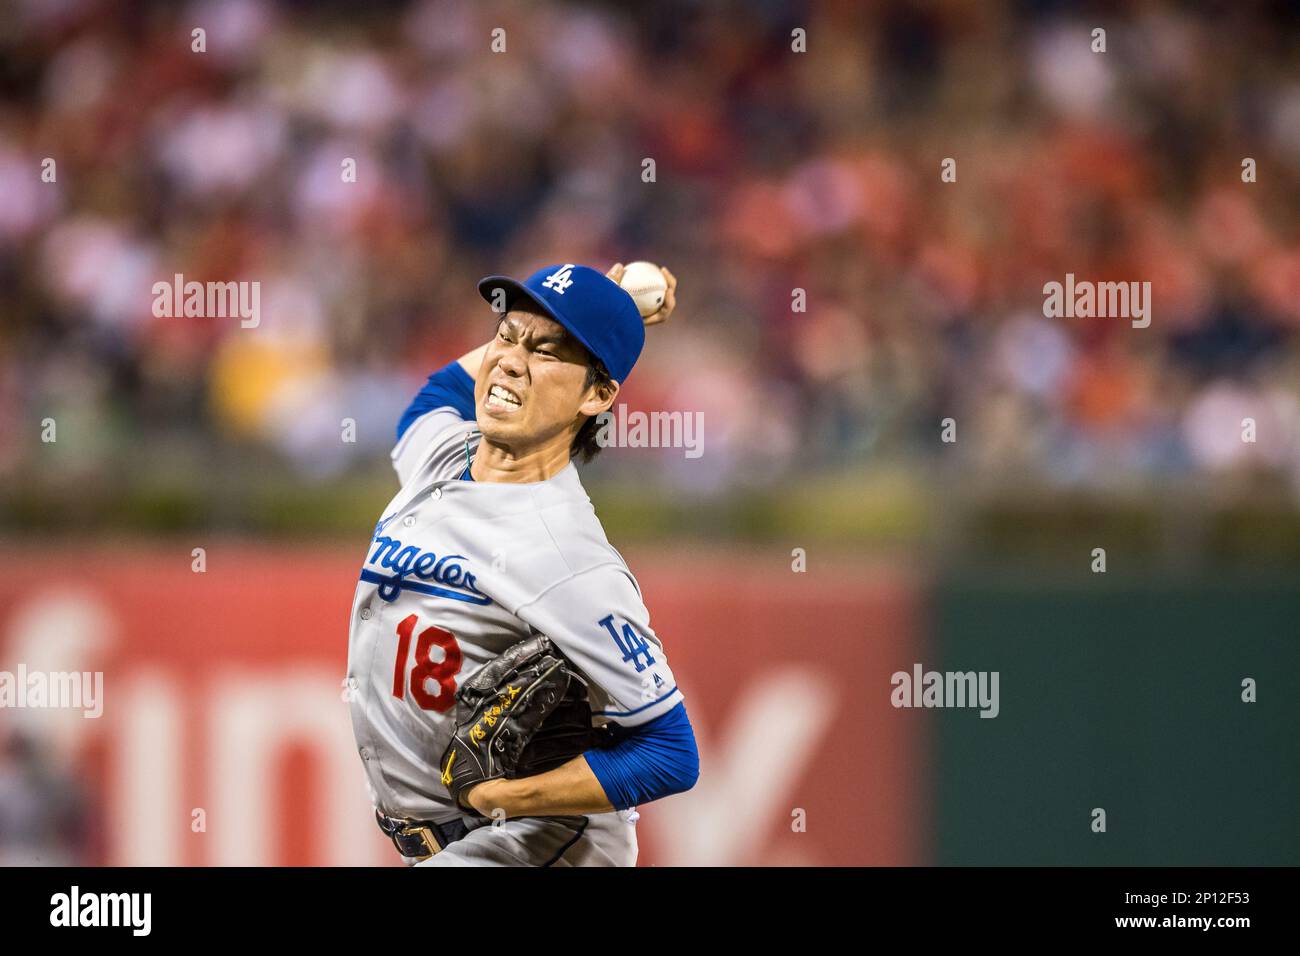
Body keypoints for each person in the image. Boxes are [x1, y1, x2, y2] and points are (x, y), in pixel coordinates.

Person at [346, 262, 698, 866]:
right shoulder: (443, 453)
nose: (508, 360)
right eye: (505, 335)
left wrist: (507, 796)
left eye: (547, 351)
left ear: (599, 394)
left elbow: (670, 751)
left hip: (535, 847)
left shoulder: (570, 558)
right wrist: (602, 314)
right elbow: (435, 395)